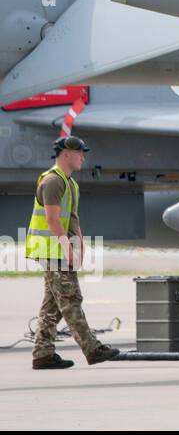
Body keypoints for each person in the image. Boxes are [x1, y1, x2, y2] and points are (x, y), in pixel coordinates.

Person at [26, 136, 121, 369]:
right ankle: (92, 349)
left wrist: (79, 244)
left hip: (57, 251)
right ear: (66, 153)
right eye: (79, 153)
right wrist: (67, 248)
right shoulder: (52, 181)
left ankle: (42, 353)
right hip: (51, 251)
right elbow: (52, 219)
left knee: (53, 305)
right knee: (70, 299)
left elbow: (72, 220)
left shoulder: (70, 183)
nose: (83, 157)